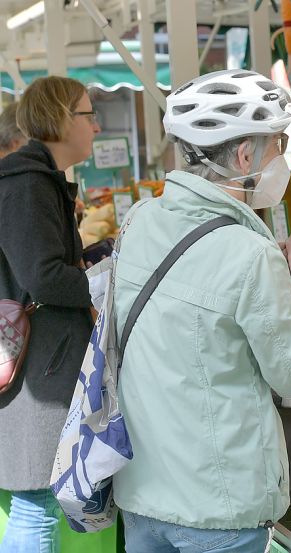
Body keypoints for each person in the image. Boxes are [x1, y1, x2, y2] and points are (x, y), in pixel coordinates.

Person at [110, 69, 291, 552]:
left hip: (141, 495)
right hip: (218, 509)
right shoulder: (248, 253)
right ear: (243, 155)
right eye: (277, 143)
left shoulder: (139, 220)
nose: (283, 159)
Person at [0, 77, 100, 552]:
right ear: (62, 118)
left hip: (45, 357)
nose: (96, 126)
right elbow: (43, 276)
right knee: (36, 502)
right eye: (88, 114)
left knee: (39, 499)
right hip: (38, 367)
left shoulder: (38, 182)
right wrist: (103, 283)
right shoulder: (26, 186)